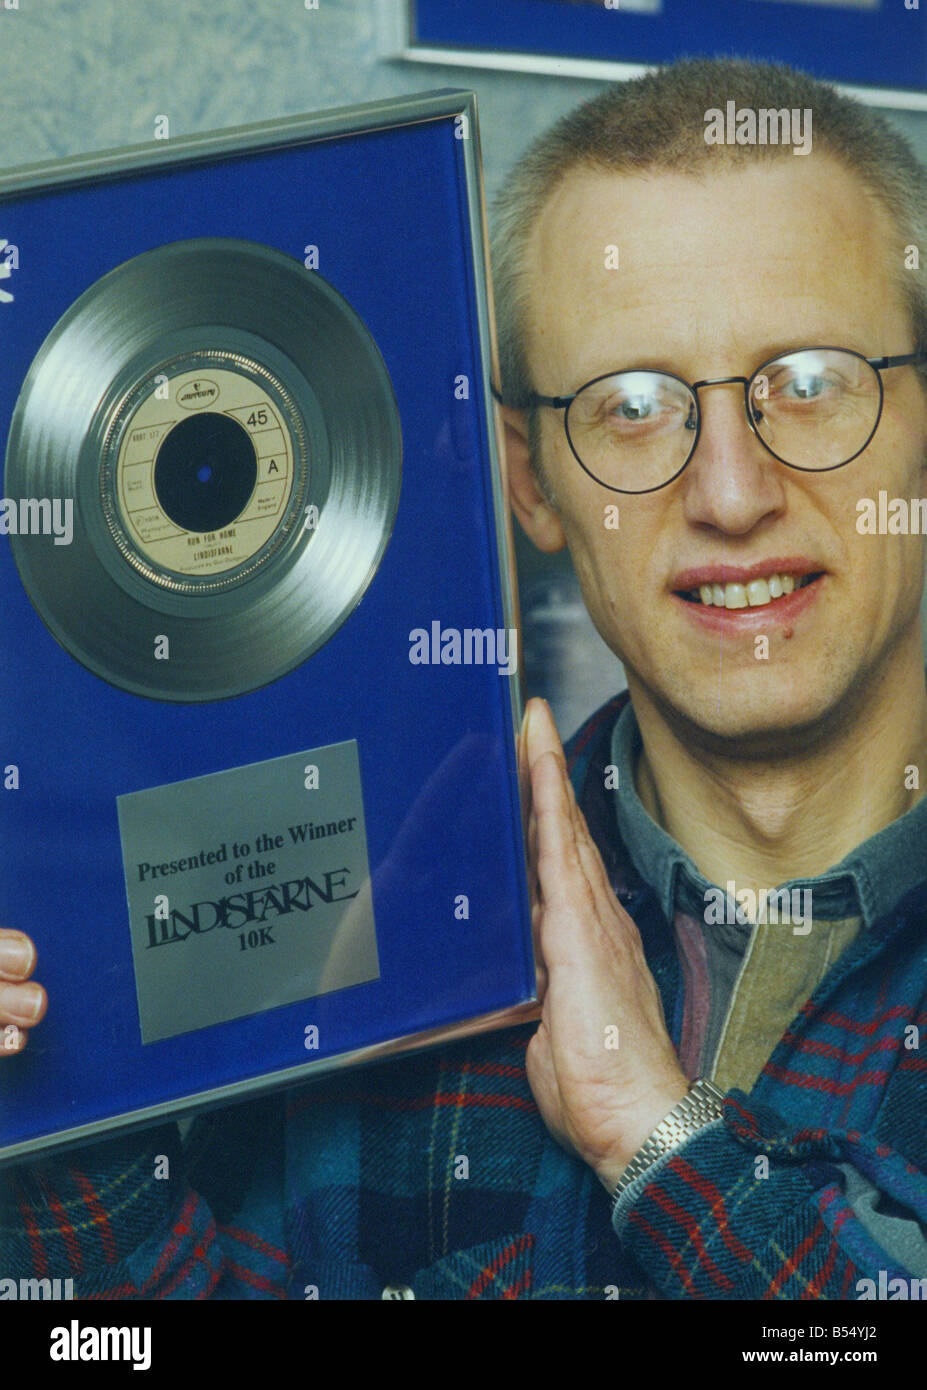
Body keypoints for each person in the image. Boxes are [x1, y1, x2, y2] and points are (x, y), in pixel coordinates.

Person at [2, 56, 926, 1300]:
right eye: (633, 405)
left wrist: (656, 1136)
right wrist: (43, 1126)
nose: (731, 493)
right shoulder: (396, 927)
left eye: (811, 385)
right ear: (528, 480)